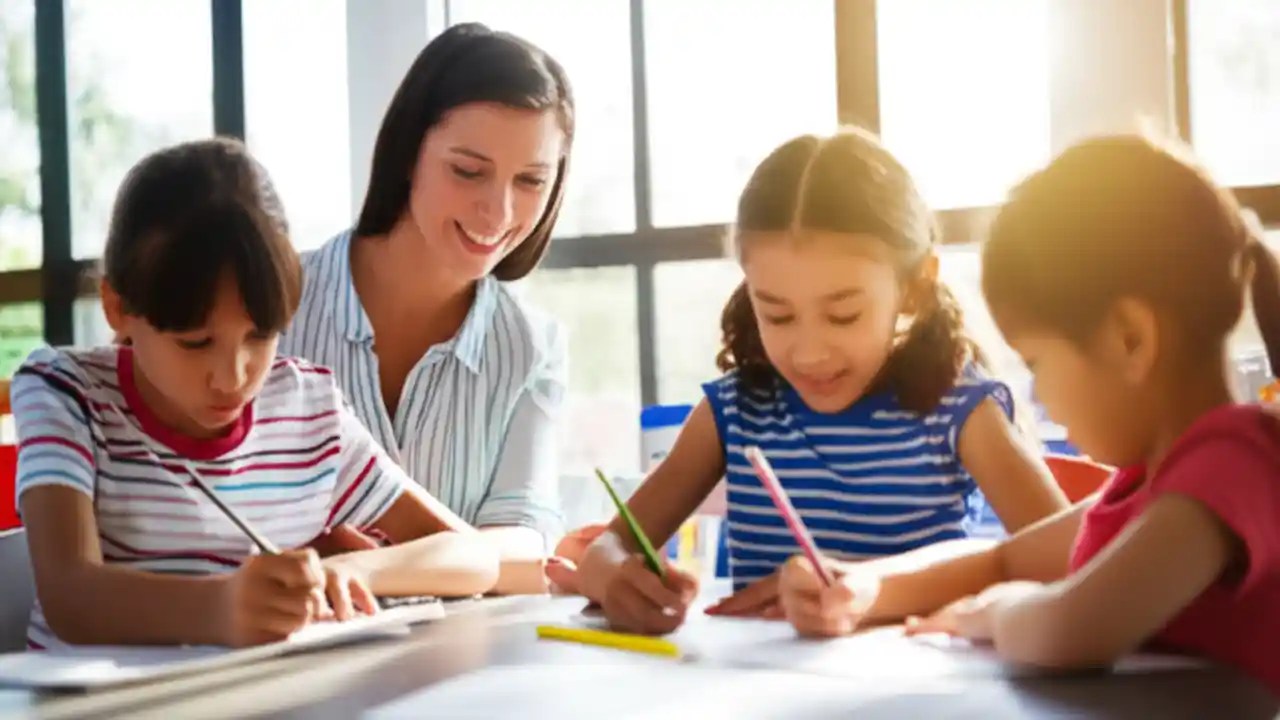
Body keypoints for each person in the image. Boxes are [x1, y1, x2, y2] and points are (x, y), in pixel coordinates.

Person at [778, 135, 1280, 695]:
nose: (1038, 396)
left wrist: (995, 615)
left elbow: (1074, 629)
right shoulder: (1152, 484)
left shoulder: (1233, 467)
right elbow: (1001, 559)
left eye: (1037, 362)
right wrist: (866, 586)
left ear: (1129, 339)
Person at [12, 138, 500, 649]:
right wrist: (220, 608)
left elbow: (473, 556)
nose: (233, 377)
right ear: (117, 308)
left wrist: (353, 568)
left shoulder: (308, 409)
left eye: (260, 336)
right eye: (195, 343)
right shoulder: (65, 393)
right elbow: (70, 595)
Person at [576, 128, 1068, 634]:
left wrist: (870, 592)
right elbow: (604, 552)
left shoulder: (959, 410)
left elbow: (1071, 556)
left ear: (915, 289)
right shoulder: (733, 413)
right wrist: (618, 578)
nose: (809, 352)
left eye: (844, 315)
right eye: (778, 315)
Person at [279, 23, 574, 593]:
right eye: (468, 171)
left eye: (532, 180)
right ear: (409, 153)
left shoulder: (532, 347)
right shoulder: (271, 303)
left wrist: (357, 570)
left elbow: (521, 543)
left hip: (451, 667)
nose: (499, 212)